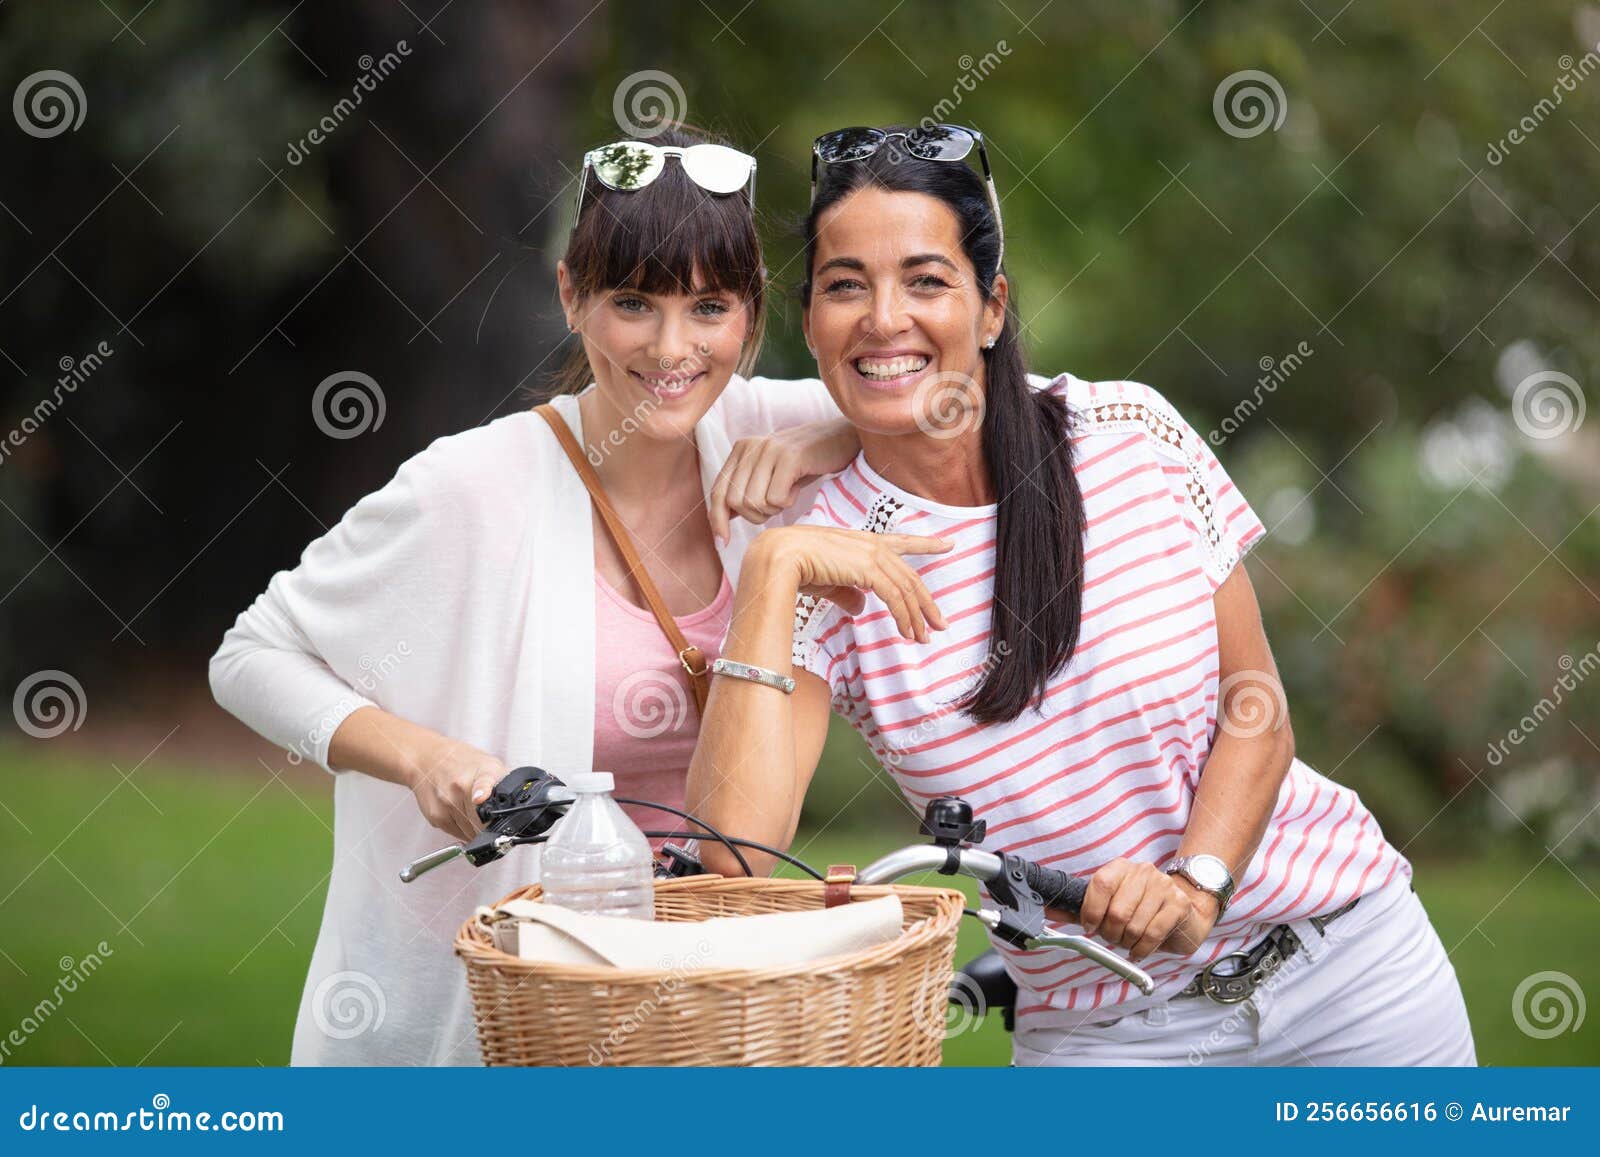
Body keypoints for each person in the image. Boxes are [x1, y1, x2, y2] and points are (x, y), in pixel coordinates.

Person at [684, 124, 1477, 1066]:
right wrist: (772, 572)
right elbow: (734, 865)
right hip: (1110, 1035)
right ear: (811, 321)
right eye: (845, 284)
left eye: (928, 279)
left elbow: (1255, 710)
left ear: (990, 308)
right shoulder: (816, 555)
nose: (884, 316)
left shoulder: (1130, 435)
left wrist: (1195, 884)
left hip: (1351, 971)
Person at [208, 126, 857, 1066]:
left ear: (751, 318)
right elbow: (251, 656)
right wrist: (429, 759)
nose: (674, 349)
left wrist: (821, 442)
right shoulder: (470, 486)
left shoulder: (770, 427)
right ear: (570, 296)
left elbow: (967, 401)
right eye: (633, 302)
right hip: (517, 1007)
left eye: (708, 307)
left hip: (702, 1014)